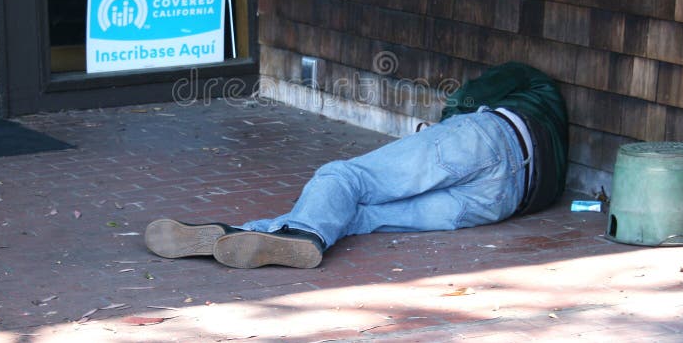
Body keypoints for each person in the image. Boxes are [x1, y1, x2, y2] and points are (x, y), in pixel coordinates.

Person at [145, 61, 568, 269]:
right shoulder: (558, 140)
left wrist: (443, 124)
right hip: (503, 201)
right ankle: (253, 236)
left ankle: (292, 232)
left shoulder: (530, 80)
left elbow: (467, 98)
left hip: (490, 140)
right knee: (358, 216)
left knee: (345, 177)